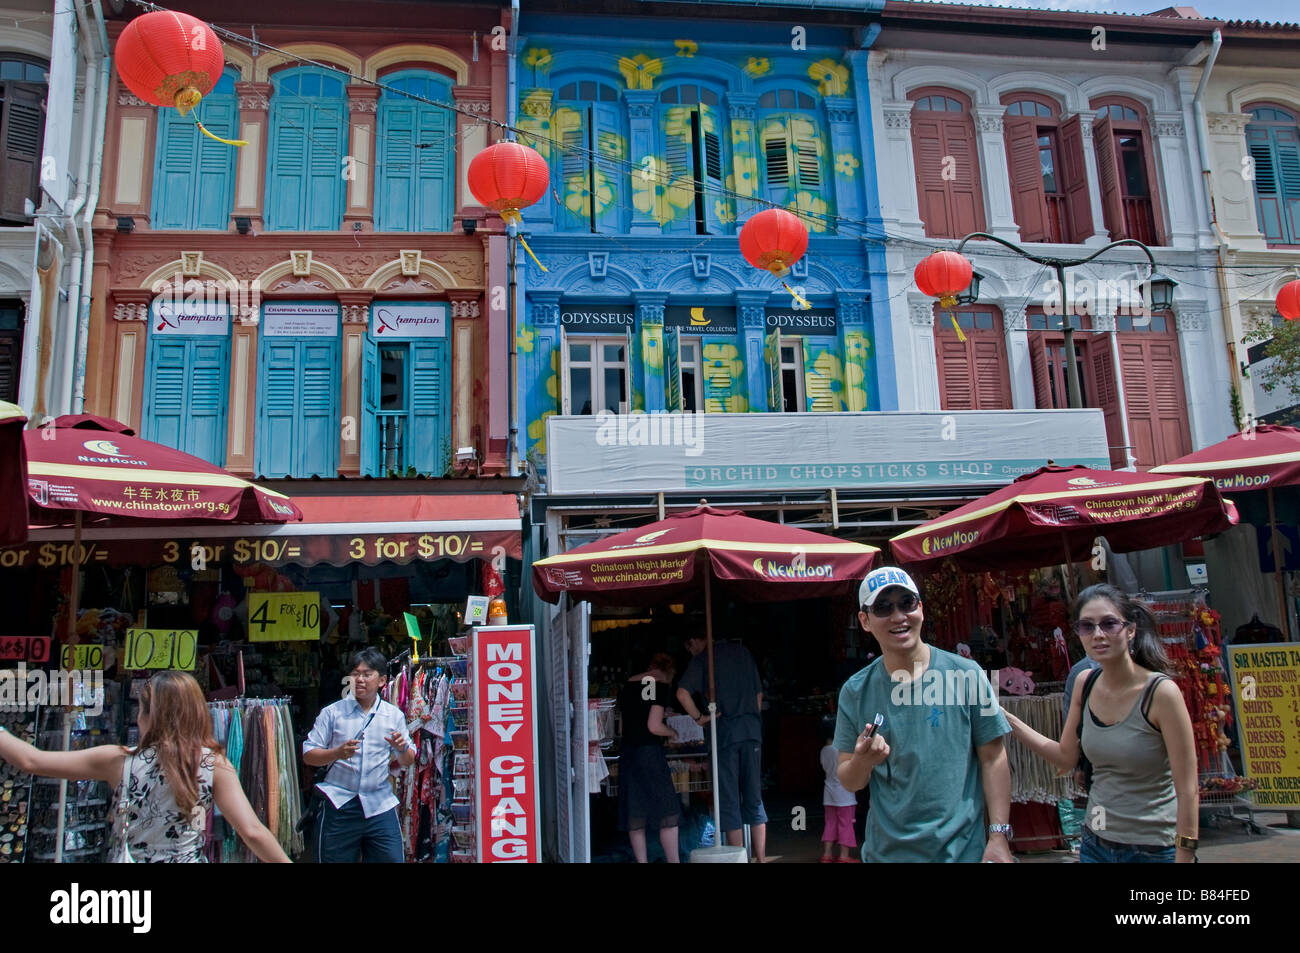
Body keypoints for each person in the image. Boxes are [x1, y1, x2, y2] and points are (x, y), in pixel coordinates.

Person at [0, 670, 289, 863]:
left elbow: (30, 760)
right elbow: (253, 832)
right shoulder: (213, 765)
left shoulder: (118, 760)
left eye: (141, 709)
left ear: (151, 716)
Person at [1002, 584, 1199, 863]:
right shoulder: (1085, 684)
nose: (1098, 635)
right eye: (1086, 626)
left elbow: (1188, 788)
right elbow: (1066, 758)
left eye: (1109, 624)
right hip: (1096, 845)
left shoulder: (1161, 693)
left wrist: (1185, 854)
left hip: (1152, 849)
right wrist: (1008, 718)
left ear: (1130, 630)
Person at [835, 567, 1013, 863]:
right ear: (865, 621)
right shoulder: (855, 691)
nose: (898, 616)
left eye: (906, 603)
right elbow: (850, 780)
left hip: (962, 852)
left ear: (921, 609)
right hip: (887, 855)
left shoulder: (967, 675)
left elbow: (993, 757)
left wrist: (998, 836)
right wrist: (862, 762)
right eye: (883, 607)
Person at [303, 647, 416, 863]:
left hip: (379, 803)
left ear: (382, 680)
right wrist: (336, 753)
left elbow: (408, 760)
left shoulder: (393, 716)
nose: (360, 680)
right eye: (355, 674)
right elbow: (309, 754)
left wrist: (402, 749)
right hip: (340, 804)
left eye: (367, 674)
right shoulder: (333, 713)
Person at [675, 634, 768, 862]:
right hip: (751, 732)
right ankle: (761, 858)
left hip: (725, 735)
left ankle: (739, 859)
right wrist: (750, 719)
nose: (690, 650)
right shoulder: (743, 652)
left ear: (697, 639)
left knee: (729, 800)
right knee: (754, 797)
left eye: (689, 644)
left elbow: (681, 693)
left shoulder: (703, 660)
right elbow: (758, 694)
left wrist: (699, 718)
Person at [617, 653, 682, 863]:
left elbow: (626, 723)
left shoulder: (629, 684)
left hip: (629, 754)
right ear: (668, 672)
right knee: (668, 813)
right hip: (649, 754)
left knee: (636, 814)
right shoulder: (661, 685)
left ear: (651, 666)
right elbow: (653, 726)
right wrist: (672, 732)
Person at [819, 718, 858, 863]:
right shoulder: (841, 750)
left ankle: (827, 854)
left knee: (830, 823)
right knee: (846, 824)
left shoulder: (824, 751)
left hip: (828, 794)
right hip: (845, 794)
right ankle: (844, 855)